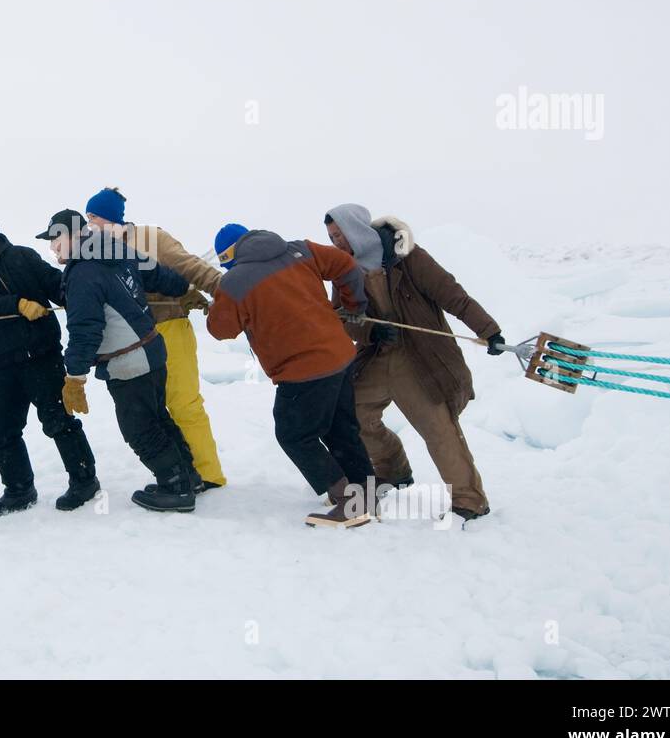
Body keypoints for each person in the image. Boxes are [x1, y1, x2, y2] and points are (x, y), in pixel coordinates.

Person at [325, 205, 504, 521]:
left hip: (419, 357)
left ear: (355, 228)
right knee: (352, 413)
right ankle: (392, 468)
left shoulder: (406, 256)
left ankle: (469, 501)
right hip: (378, 356)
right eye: (331, 236)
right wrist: (370, 329)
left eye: (339, 234)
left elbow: (452, 295)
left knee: (438, 427)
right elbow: (343, 320)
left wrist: (488, 331)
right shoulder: (343, 272)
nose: (336, 242)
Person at [206, 224, 377, 527]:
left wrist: (219, 304)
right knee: (341, 428)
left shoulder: (234, 282)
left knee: (294, 434)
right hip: (339, 355)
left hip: (303, 371)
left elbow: (220, 330)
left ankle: (349, 503)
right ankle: (366, 493)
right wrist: (354, 306)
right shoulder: (300, 249)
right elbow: (346, 265)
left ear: (230, 256)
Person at [40, 209, 200, 513]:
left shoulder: (83, 272)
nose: (51, 246)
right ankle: (188, 477)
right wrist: (184, 289)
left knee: (139, 427)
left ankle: (176, 486)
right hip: (152, 348)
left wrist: (75, 376)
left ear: (75, 234)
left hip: (129, 359)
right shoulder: (115, 247)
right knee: (157, 416)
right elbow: (156, 272)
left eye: (55, 238)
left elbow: (85, 328)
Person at [0, 212, 100, 515]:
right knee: (1, 429)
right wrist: (17, 304)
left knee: (59, 420)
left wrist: (86, 293)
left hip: (42, 356)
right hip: (1, 365)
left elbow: (55, 285)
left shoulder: (21, 257)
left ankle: (85, 480)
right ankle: (18, 489)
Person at [83, 187, 228, 488]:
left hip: (170, 328)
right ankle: (184, 475)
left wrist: (227, 291)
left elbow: (189, 265)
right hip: (135, 342)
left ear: (109, 217)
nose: (89, 223)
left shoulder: (150, 238)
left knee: (183, 403)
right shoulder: (96, 249)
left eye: (93, 216)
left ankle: (208, 473)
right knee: (155, 411)